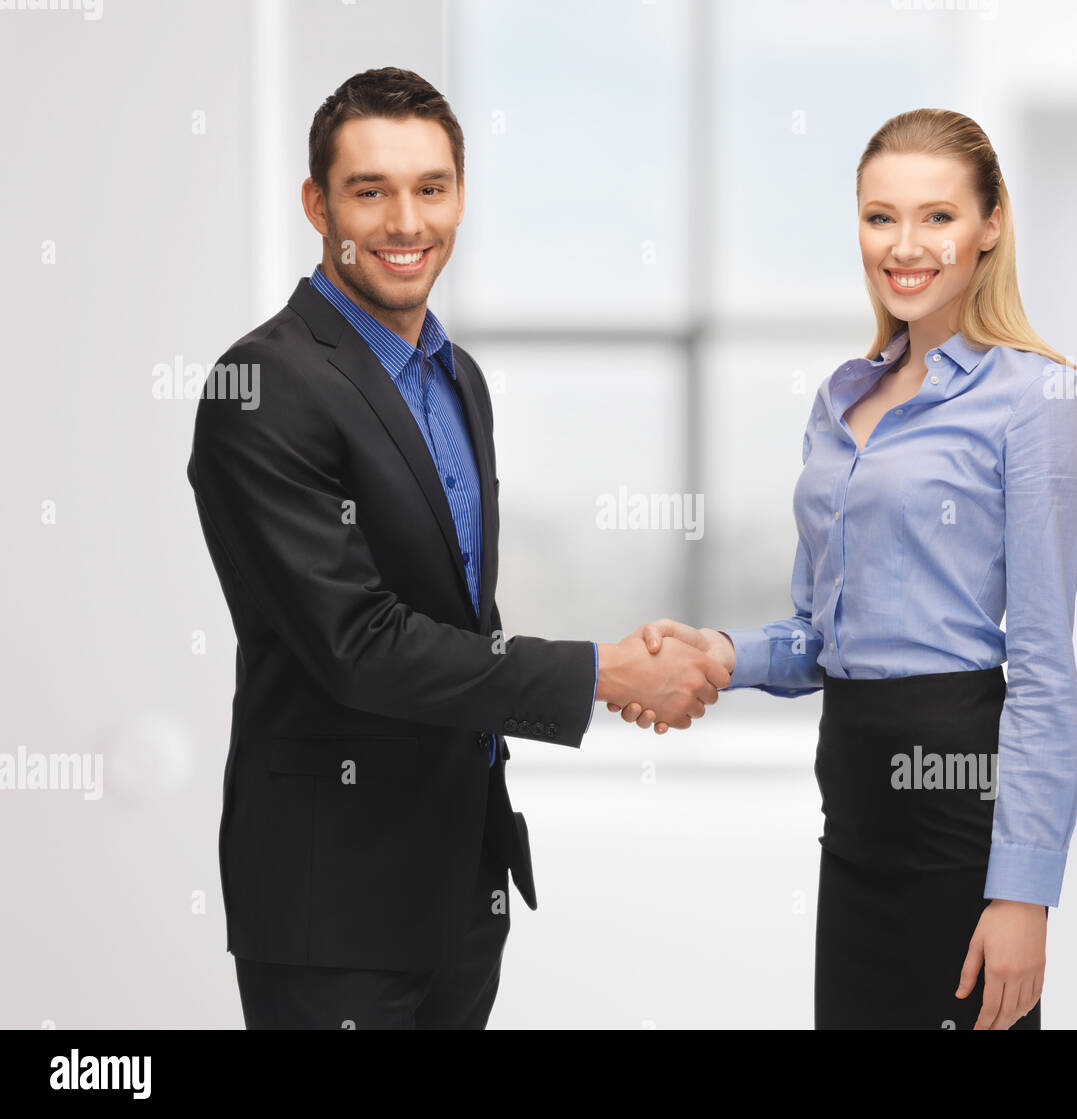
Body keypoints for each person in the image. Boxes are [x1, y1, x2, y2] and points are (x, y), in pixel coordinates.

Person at [186, 67, 730, 1029]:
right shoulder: (263, 384)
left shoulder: (455, 377)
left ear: (461, 197)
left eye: (431, 188)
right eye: (370, 190)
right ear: (317, 204)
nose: (406, 221)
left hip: (459, 887)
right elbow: (359, 644)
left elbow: (458, 616)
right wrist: (604, 673)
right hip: (334, 907)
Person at [610, 108, 1077, 1030]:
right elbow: (819, 637)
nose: (904, 245)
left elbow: (1042, 665)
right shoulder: (845, 399)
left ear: (990, 225)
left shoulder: (1038, 397)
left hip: (958, 801)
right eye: (881, 217)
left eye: (937, 217)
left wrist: (1026, 895)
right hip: (854, 810)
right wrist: (720, 648)